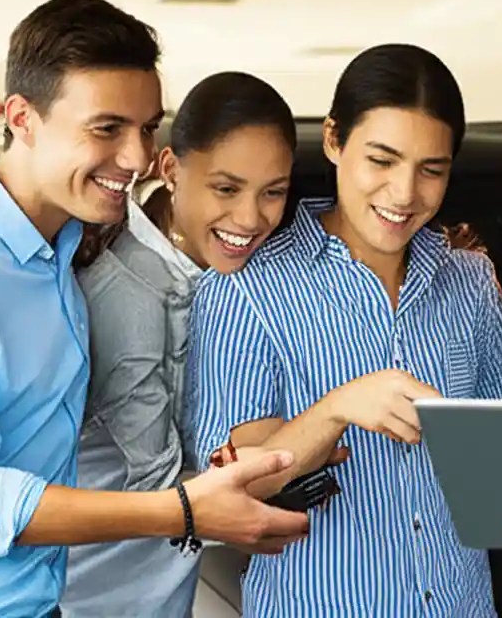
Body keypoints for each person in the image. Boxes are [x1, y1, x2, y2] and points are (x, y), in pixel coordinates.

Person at [0, 0, 308, 618]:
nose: (137, 159)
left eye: (145, 129)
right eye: (106, 129)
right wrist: (182, 511)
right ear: (22, 118)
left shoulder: (71, 250)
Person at [189, 43, 502, 617]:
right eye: (382, 160)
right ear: (333, 140)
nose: (405, 193)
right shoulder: (245, 288)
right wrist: (336, 410)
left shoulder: (470, 281)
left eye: (431, 170)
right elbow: (235, 484)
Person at [60, 71, 307, 617]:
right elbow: (164, 491)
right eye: (226, 189)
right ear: (170, 169)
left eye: (273, 192)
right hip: (99, 595)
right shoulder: (128, 296)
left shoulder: (241, 272)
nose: (250, 218)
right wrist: (321, 428)